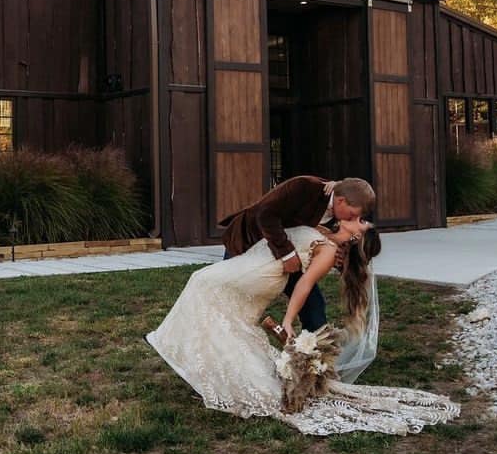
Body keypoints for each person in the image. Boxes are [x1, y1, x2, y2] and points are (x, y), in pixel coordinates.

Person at [146, 222, 459, 435]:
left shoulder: (327, 245)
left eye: (359, 221)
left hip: (262, 275)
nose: (356, 218)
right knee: (218, 310)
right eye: (360, 216)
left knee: (211, 299)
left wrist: (287, 319)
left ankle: (239, 376)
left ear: (351, 238)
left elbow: (305, 285)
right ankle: (214, 367)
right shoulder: (323, 225)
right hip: (254, 268)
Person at [220, 176, 376, 332]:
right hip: (248, 243)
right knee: (228, 297)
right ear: (341, 201)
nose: (354, 219)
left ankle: (312, 346)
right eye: (352, 215)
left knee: (314, 306)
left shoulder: (340, 216)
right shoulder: (304, 187)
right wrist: (287, 254)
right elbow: (266, 214)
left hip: (292, 258)